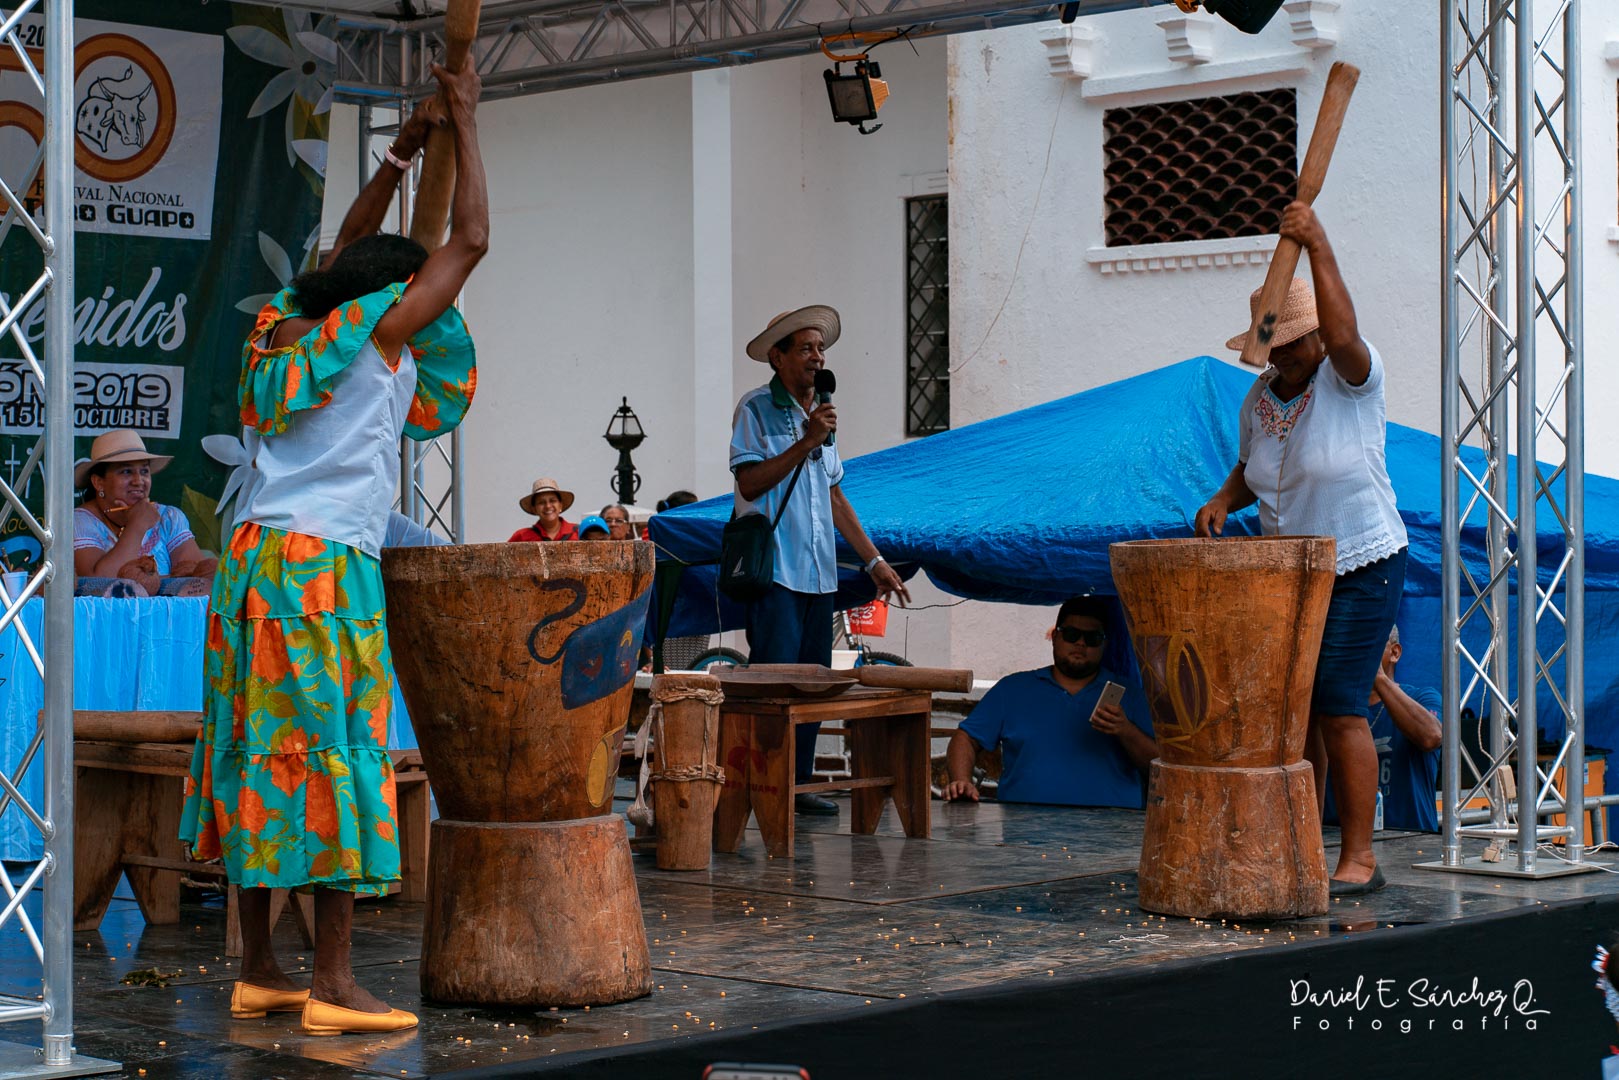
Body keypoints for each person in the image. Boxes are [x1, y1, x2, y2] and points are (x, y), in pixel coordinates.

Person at [179, 58, 486, 1037]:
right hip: (320, 577)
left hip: (252, 569)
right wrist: (468, 124)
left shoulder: (287, 329)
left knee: (262, 753)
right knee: (331, 758)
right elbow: (472, 238)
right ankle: (334, 986)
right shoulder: (382, 338)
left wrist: (403, 150)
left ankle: (263, 969)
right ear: (399, 294)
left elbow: (347, 244)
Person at [1195, 202, 1408, 896]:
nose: (1285, 351)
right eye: (1276, 343)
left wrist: (1318, 244)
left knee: (1340, 703)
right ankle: (1301, 834)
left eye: (1296, 339)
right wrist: (1226, 499)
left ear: (1316, 334)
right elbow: (1252, 467)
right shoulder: (1258, 397)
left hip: (1360, 561)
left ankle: (1359, 857)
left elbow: (1345, 331)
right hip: (1287, 572)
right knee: (1296, 704)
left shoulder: (1349, 380)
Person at [730, 305, 911, 815]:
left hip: (818, 573)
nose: (817, 356)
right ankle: (764, 784)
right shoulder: (756, 409)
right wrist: (805, 440)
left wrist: (873, 559)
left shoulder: (823, 417)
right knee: (776, 684)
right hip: (776, 572)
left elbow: (834, 497)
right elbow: (749, 482)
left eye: (820, 348)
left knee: (813, 684)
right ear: (777, 356)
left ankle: (798, 785)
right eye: (805, 348)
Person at [941, 597, 1155, 807]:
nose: (1081, 643)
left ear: (1105, 644)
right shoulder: (1012, 689)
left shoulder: (1131, 694)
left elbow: (1161, 766)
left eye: (1092, 638)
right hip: (1026, 834)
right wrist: (961, 781)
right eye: (1072, 634)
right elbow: (965, 739)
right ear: (1055, 637)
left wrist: (1125, 730)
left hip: (1113, 832)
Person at [1326, 626, 1441, 832]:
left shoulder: (1422, 697)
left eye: (1368, 643)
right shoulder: (1329, 709)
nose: (1357, 651)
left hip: (1411, 841)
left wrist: (1377, 676)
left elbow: (1431, 737)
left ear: (1394, 653)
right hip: (1338, 842)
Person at [74, 429, 215, 596]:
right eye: (126, 471)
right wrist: (137, 525)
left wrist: (151, 581)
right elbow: (102, 586)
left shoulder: (167, 517)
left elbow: (199, 579)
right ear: (98, 482)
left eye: (144, 471)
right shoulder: (79, 521)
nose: (138, 481)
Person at [509, 478, 577, 542]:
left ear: (560, 505)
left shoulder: (579, 532)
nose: (548, 506)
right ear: (534, 509)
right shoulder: (522, 536)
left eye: (552, 501)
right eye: (541, 502)